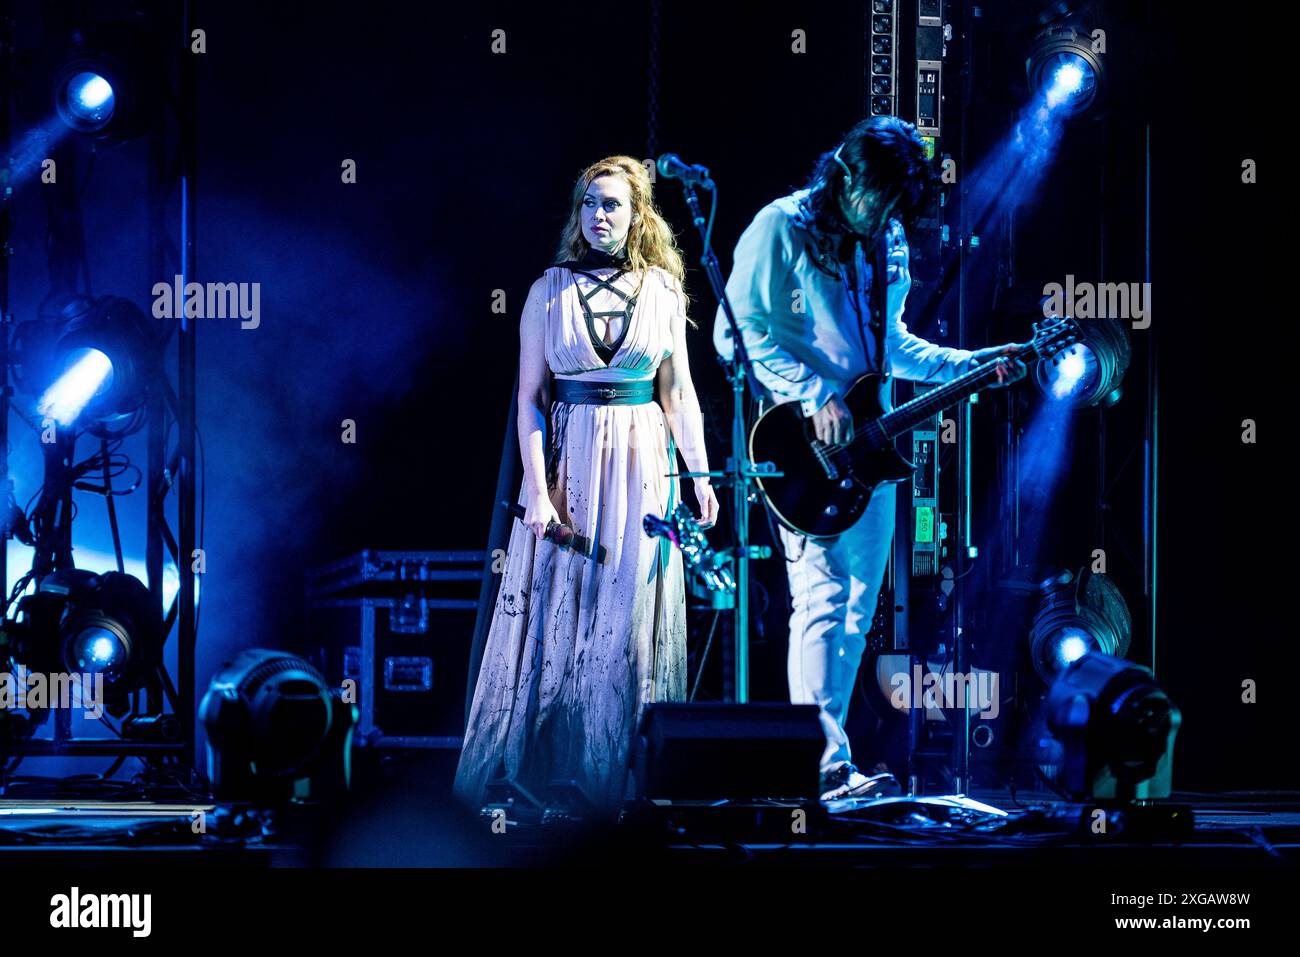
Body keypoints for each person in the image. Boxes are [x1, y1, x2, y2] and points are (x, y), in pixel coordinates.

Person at [714, 116, 1024, 801]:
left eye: (895, 203)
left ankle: (830, 760)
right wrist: (809, 390)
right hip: (800, 446)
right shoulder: (781, 228)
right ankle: (823, 765)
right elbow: (734, 334)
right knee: (820, 599)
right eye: (875, 196)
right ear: (845, 174)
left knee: (856, 607)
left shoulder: (885, 242)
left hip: (871, 450)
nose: (883, 212)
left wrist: (971, 365)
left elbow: (895, 348)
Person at [455, 155, 718, 815]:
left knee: (625, 628)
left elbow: (679, 393)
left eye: (612, 205)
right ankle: (539, 784)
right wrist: (539, 493)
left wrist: (699, 476)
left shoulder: (662, 288)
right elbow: (530, 399)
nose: (599, 216)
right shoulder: (549, 291)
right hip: (569, 465)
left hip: (642, 465)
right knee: (556, 618)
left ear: (636, 217)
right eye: (589, 204)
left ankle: (620, 788)